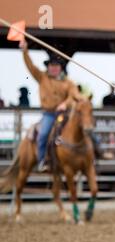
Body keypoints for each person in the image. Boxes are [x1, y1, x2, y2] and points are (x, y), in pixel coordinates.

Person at [20, 39, 83, 172]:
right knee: (43, 134)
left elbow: (74, 96)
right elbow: (30, 66)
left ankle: (92, 155)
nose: (53, 68)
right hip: (49, 114)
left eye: (56, 65)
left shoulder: (68, 82)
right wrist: (25, 51)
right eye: (51, 65)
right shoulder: (42, 77)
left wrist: (66, 104)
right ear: (48, 67)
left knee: (83, 128)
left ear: (61, 67)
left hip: (64, 114)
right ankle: (42, 160)